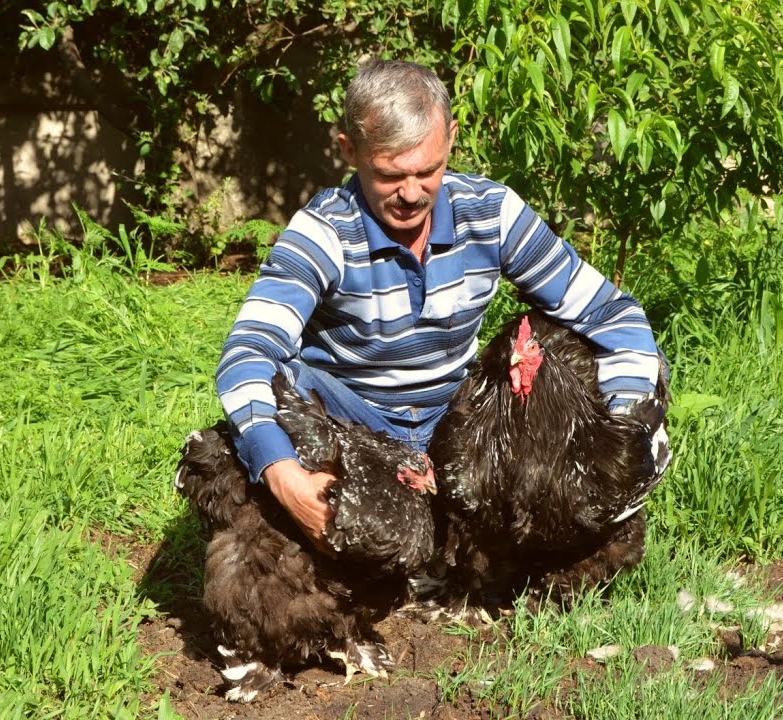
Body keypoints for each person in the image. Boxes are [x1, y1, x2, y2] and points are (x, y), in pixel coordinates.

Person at [215, 59, 668, 553]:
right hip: (352, 422)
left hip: (458, 419)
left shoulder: (492, 213)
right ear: (349, 151)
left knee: (596, 358)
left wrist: (623, 433)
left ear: (451, 138)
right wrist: (287, 480)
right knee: (281, 398)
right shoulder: (321, 235)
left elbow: (609, 314)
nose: (411, 194)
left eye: (428, 171)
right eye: (389, 175)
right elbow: (248, 354)